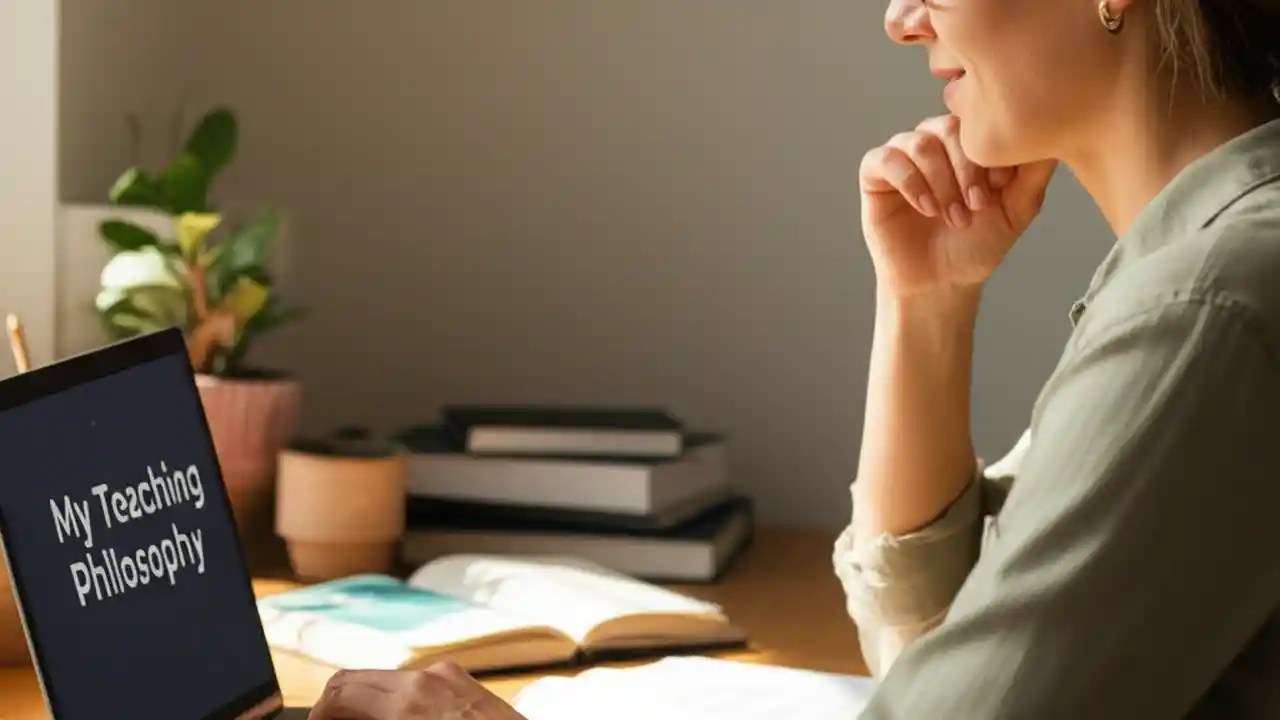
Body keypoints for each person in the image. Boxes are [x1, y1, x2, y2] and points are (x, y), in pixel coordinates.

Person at [305, 0, 1280, 717]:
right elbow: (940, 656)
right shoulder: (1200, 274)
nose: (900, 18)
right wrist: (924, 305)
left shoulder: (1205, 308)